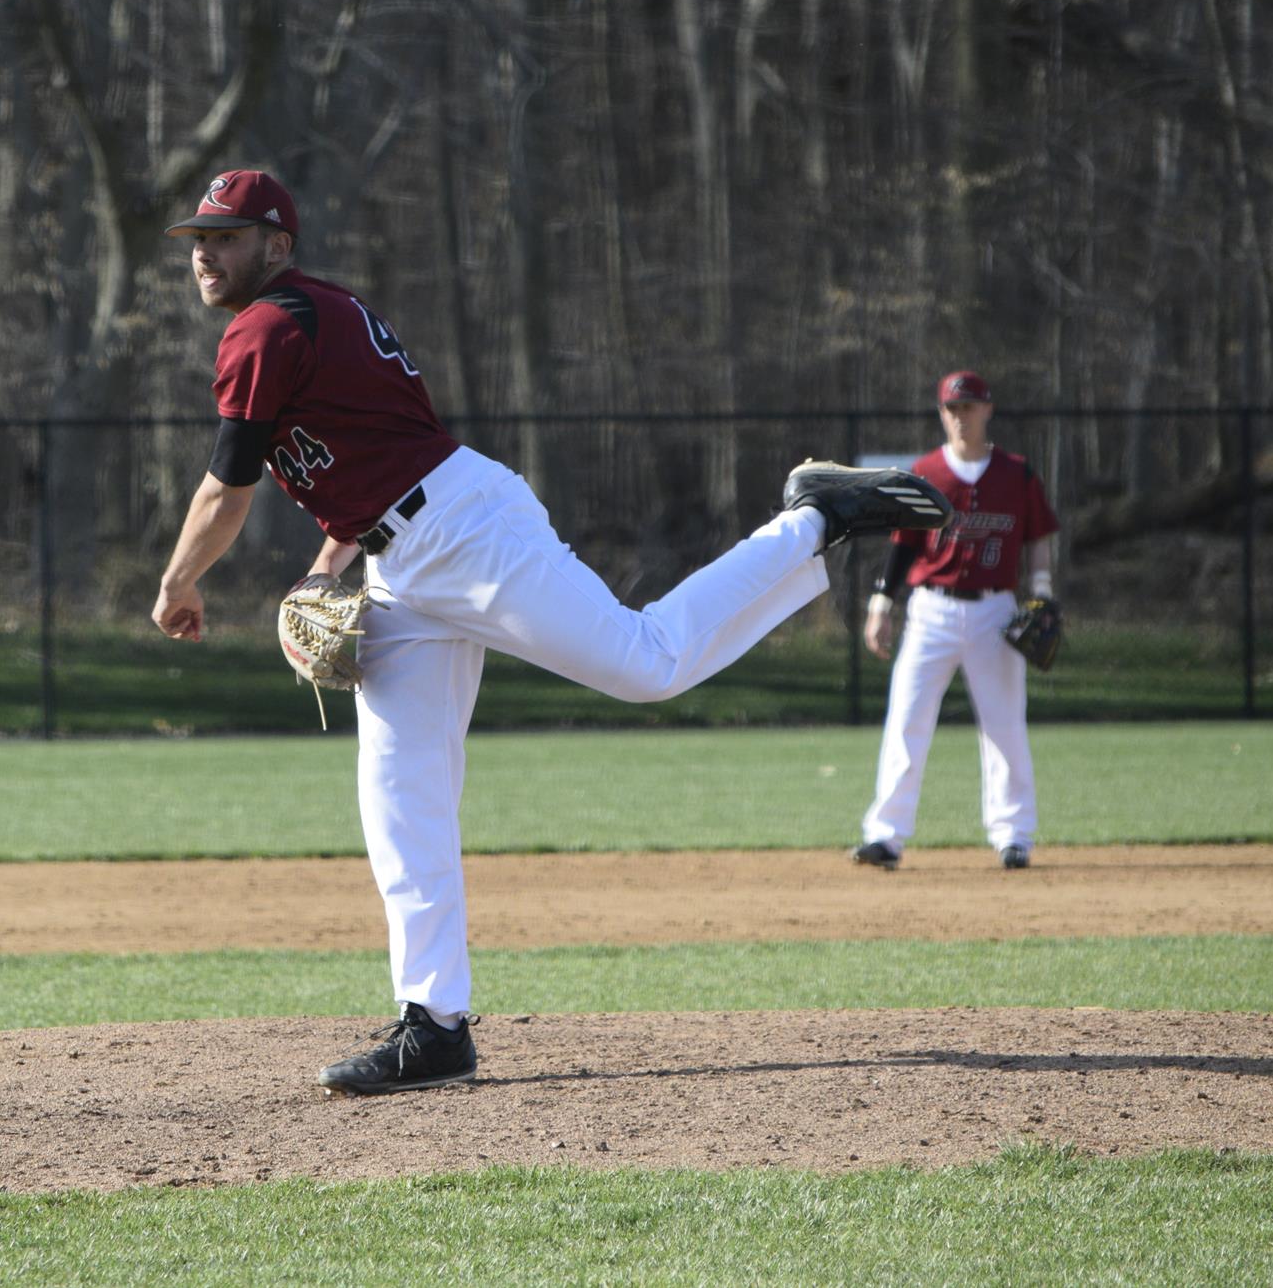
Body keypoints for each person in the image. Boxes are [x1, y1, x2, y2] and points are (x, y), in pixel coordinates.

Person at [150, 169, 953, 1094]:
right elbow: (379, 454)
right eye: (198, 239)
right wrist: (328, 568)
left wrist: (178, 583)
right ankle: (435, 1023)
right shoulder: (317, 316)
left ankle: (814, 517)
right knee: (400, 790)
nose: (206, 252)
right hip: (405, 559)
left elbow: (226, 487)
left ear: (277, 246)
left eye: (228, 235)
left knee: (646, 662)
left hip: (462, 535)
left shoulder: (268, 324)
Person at [853, 370, 1060, 872]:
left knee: (1004, 725)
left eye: (969, 406)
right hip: (932, 611)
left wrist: (1043, 592)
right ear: (941, 413)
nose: (960, 416)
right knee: (907, 719)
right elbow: (903, 544)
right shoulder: (925, 472)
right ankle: (885, 836)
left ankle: (1014, 836)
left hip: (995, 610)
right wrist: (882, 604)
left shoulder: (1016, 473)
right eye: (952, 408)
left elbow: (1038, 537)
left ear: (987, 409)